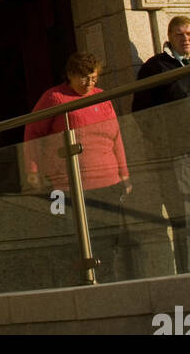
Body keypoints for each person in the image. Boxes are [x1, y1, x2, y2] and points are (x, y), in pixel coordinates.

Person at [24, 52, 130, 283]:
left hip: (108, 181)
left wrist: (124, 173)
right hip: (67, 183)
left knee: (108, 238)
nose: (89, 83)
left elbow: (116, 137)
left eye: (93, 78)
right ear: (70, 75)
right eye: (83, 78)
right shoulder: (54, 98)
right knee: (71, 236)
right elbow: (33, 133)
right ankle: (75, 282)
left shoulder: (102, 97)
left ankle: (107, 282)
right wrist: (32, 170)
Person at [131, 15, 190, 274]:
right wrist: (165, 142)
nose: (185, 38)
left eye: (189, 33)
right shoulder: (156, 67)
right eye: (180, 34)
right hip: (179, 156)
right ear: (169, 37)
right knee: (185, 219)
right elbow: (141, 112)